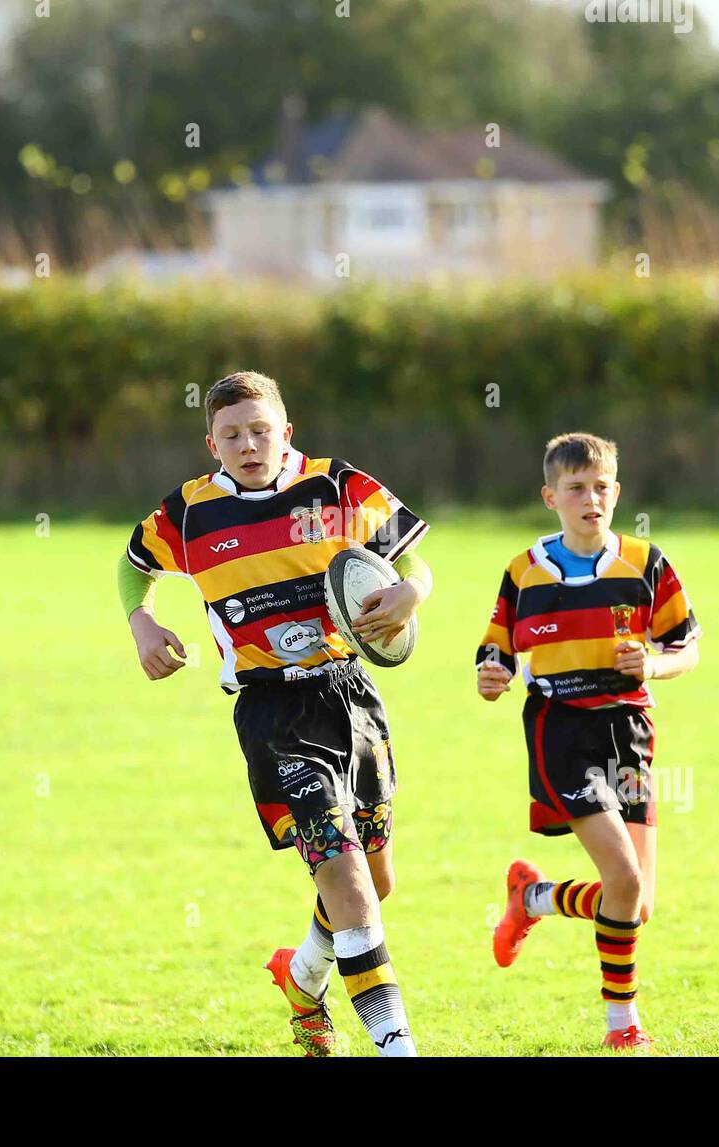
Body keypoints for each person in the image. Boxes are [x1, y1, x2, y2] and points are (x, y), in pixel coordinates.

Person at [119, 371, 432, 1057]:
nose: (248, 443)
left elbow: (415, 561)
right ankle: (397, 1047)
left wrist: (411, 590)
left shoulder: (336, 486)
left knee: (377, 882)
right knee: (347, 880)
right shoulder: (188, 513)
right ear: (212, 443)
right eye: (232, 434)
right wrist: (141, 621)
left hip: (351, 694)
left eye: (260, 430)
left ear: (285, 432)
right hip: (273, 713)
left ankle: (301, 978)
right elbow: (133, 563)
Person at [476, 431, 700, 1051]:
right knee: (622, 880)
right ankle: (621, 1026)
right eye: (576, 488)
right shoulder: (525, 571)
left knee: (637, 901)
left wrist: (653, 665)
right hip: (562, 730)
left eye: (602, 487)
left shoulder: (645, 563)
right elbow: (494, 655)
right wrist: (491, 677)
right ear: (551, 496)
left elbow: (688, 649)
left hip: (630, 732)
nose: (591, 499)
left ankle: (535, 898)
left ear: (617, 491)